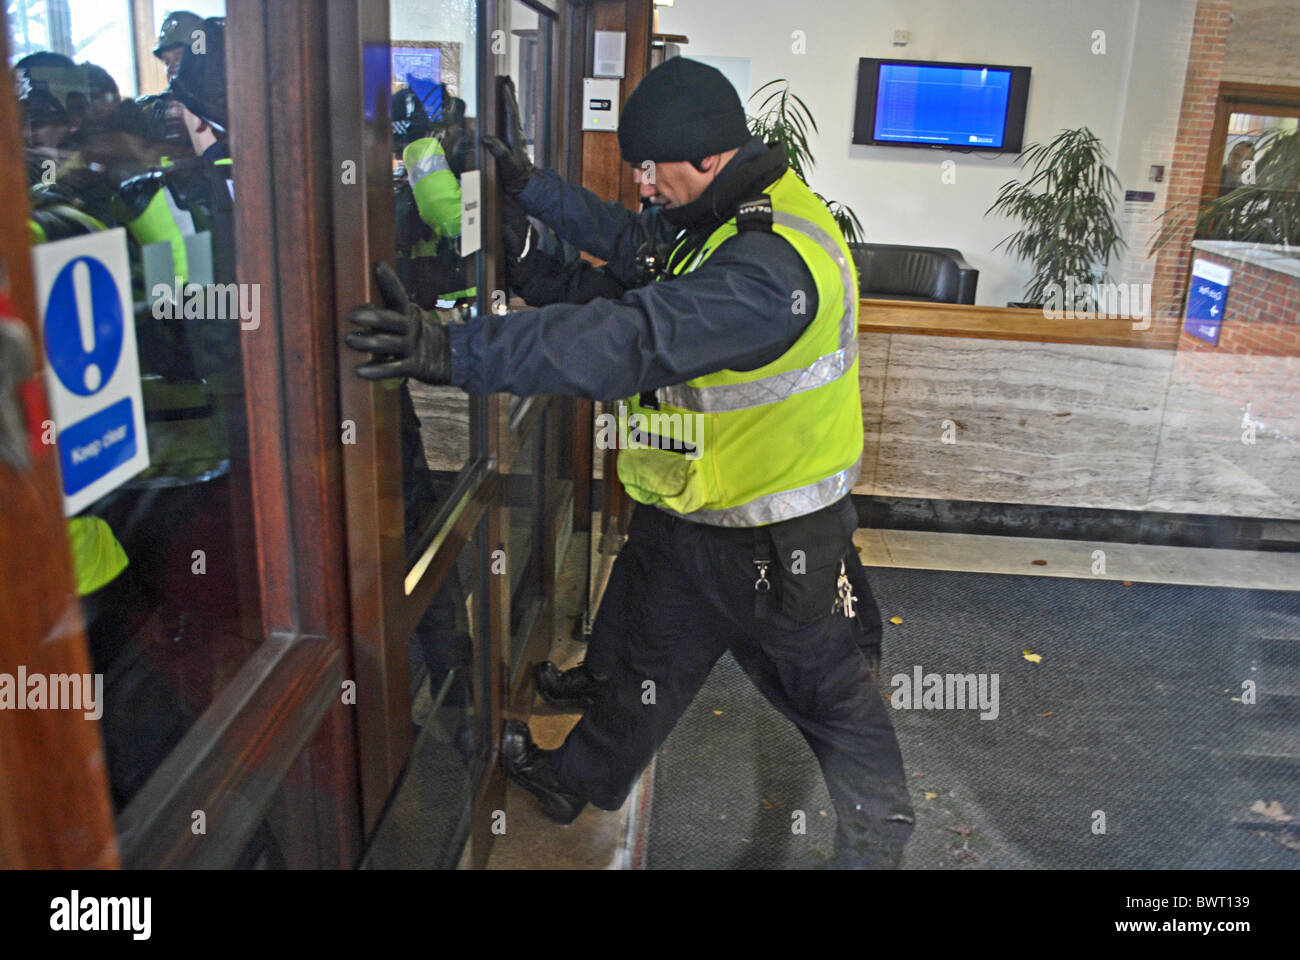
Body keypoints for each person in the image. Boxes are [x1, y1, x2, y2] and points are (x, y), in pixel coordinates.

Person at [346, 57, 914, 868]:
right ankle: (573, 779)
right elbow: (630, 244)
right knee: (647, 668)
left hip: (778, 546)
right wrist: (531, 187)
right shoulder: (716, 219)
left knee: (839, 710)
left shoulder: (773, 266)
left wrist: (453, 350)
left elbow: (633, 336)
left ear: (710, 158)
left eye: (653, 168)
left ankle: (880, 843)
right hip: (696, 520)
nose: (643, 184)